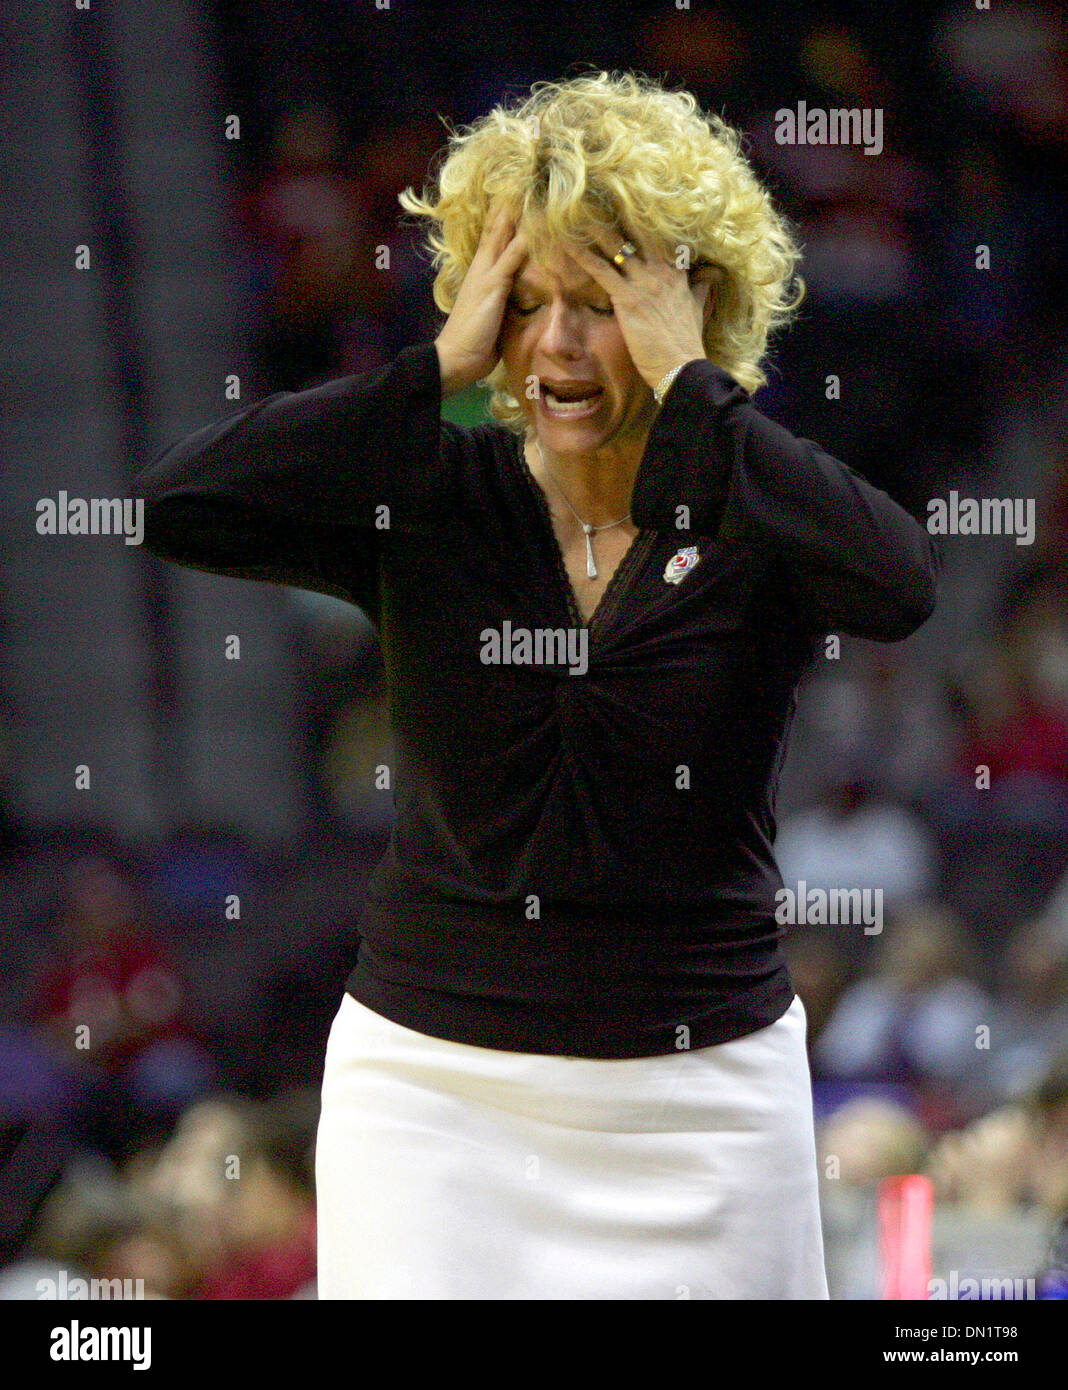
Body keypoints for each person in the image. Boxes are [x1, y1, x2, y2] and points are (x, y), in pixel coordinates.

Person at [129, 70, 940, 1300]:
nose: (557, 344)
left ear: (685, 311)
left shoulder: (746, 499)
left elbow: (899, 583)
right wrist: (433, 368)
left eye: (601, 304)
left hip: (703, 1101)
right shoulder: (434, 495)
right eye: (528, 301)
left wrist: (701, 400)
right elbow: (177, 507)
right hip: (436, 1096)